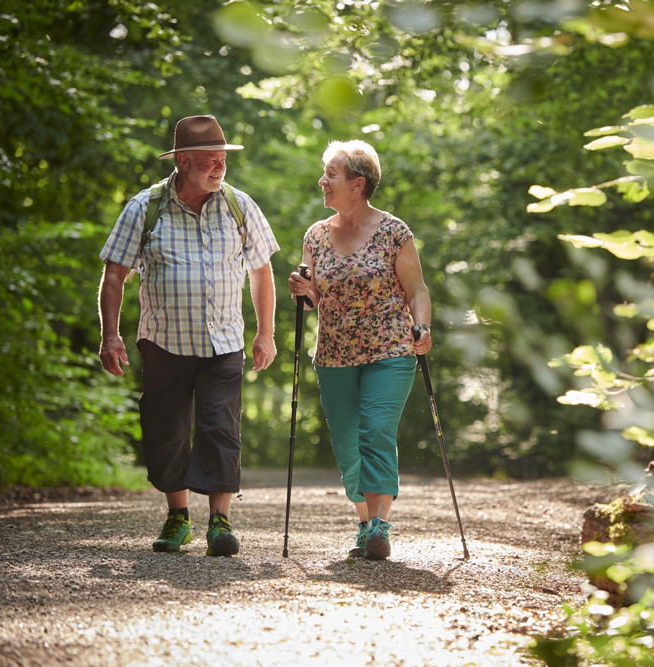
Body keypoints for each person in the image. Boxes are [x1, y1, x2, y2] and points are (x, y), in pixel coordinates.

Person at [98, 115, 280, 557]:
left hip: (224, 341)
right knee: (167, 430)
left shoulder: (239, 205)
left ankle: (220, 522)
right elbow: (115, 273)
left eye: (223, 159)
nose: (220, 167)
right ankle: (178, 517)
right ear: (183, 161)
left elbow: (261, 271)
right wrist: (110, 335)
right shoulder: (145, 207)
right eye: (210, 160)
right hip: (165, 340)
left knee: (221, 428)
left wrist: (266, 333)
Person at [288, 139, 432, 560]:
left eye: (331, 174)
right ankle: (365, 521)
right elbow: (314, 298)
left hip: (390, 349)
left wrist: (422, 326)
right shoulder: (316, 236)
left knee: (375, 430)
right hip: (335, 354)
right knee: (348, 442)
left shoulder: (394, 232)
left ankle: (379, 526)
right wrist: (303, 290)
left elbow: (417, 290)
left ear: (358, 183)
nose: (322, 181)